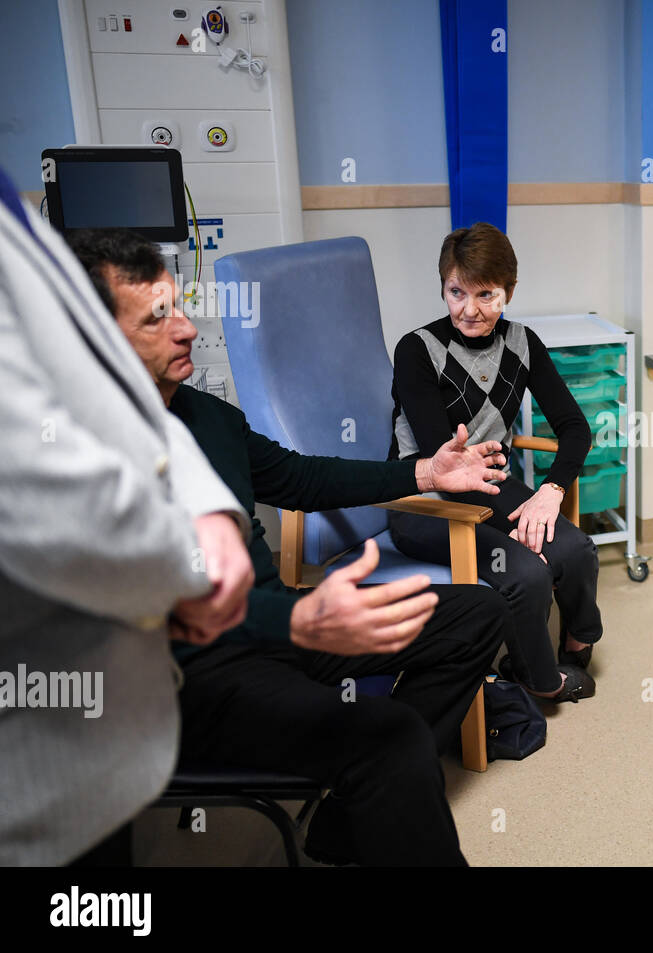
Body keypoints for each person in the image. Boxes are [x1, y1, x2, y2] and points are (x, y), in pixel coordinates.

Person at [68, 228, 512, 867]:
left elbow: (303, 479)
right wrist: (297, 620)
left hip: (279, 629)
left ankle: (349, 813)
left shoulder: (206, 418)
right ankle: (374, 774)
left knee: (476, 613)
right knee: (389, 737)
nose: (189, 329)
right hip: (184, 676)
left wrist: (425, 473)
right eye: (157, 318)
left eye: (181, 307)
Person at [0, 168, 254, 866]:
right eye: (156, 318)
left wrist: (210, 517)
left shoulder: (21, 231)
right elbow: (48, 498)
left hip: (103, 737)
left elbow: (135, 403)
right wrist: (195, 575)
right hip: (36, 756)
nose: (187, 330)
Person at [388, 223, 601, 703]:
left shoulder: (523, 343)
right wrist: (518, 531)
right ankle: (538, 679)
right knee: (528, 570)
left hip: (492, 486)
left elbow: (575, 427)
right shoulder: (416, 349)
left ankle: (578, 640)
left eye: (486, 295)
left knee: (577, 549)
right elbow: (443, 461)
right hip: (425, 501)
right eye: (455, 292)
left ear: (508, 292)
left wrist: (550, 493)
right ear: (443, 286)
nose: (469, 310)